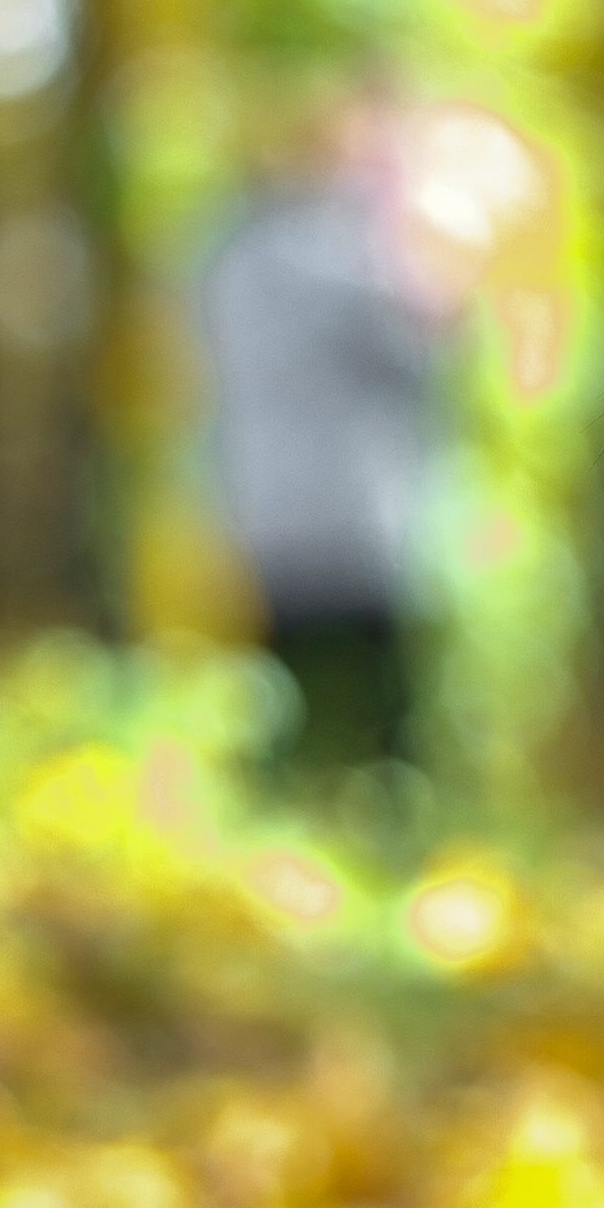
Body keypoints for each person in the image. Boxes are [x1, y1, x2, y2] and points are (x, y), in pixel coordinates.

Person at [196, 112, 441, 774]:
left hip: (264, 513)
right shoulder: (344, 258)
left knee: (282, 699)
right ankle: (395, 818)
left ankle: (271, 829)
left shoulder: (223, 261)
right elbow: (414, 358)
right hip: (356, 517)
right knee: (388, 708)